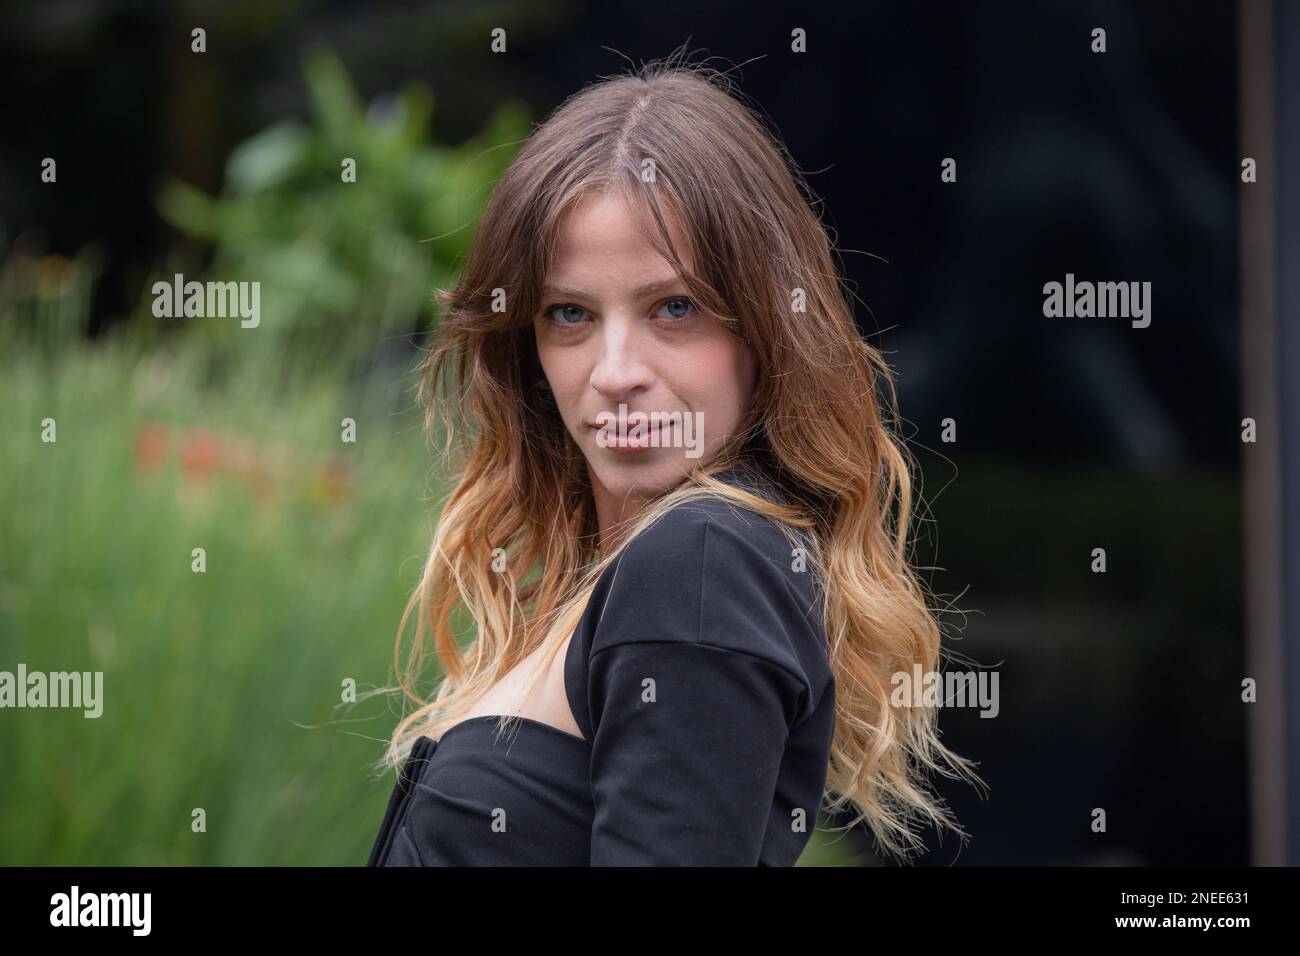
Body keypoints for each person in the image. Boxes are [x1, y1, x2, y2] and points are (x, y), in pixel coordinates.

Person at [367, 53, 982, 867]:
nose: (615, 371)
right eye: (570, 313)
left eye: (675, 307)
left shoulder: (700, 562)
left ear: (764, 328)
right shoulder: (623, 574)